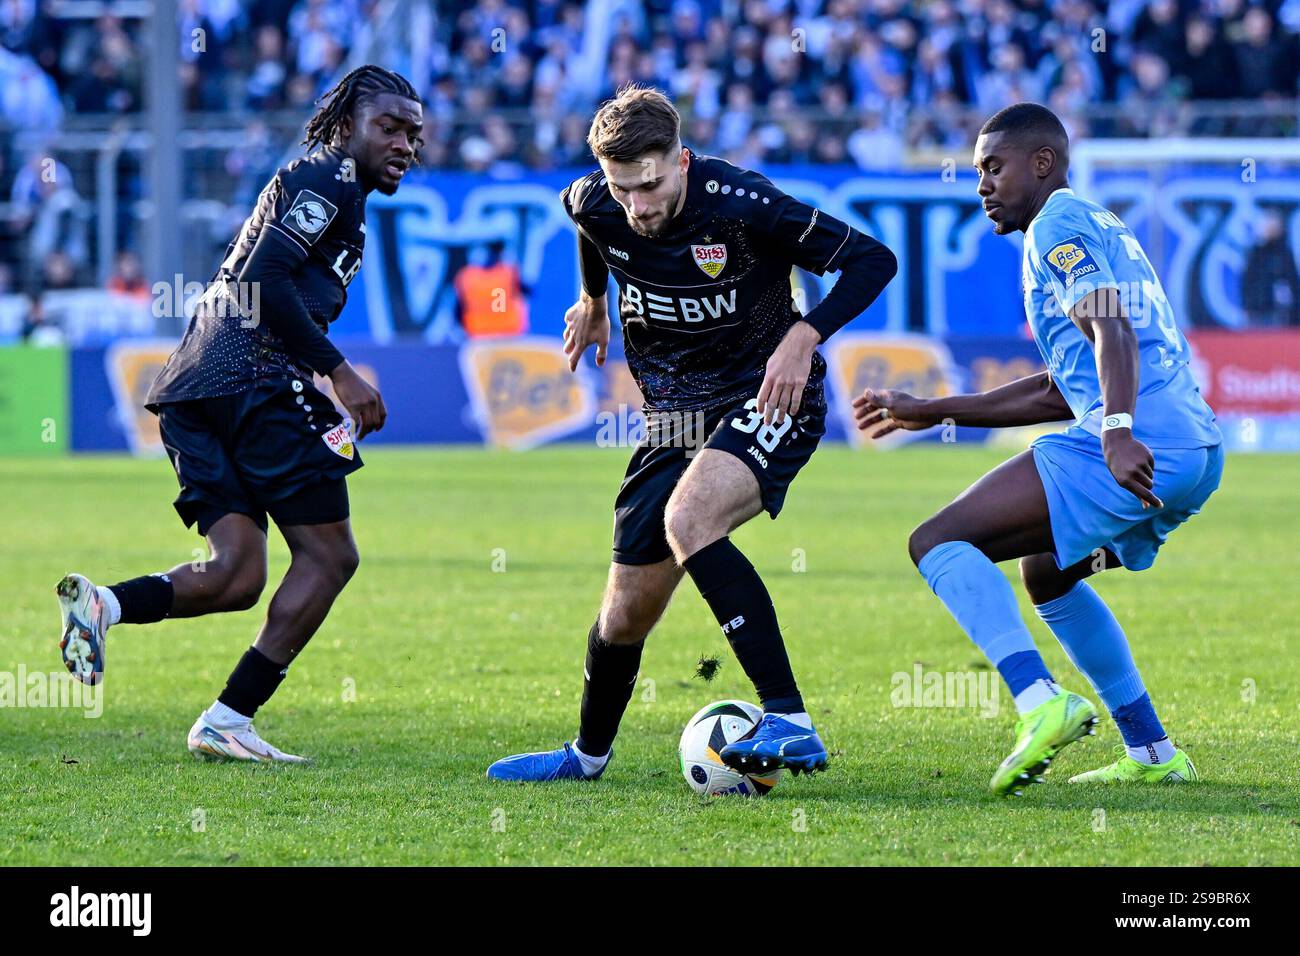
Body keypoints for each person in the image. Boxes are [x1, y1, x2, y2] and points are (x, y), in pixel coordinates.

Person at [487, 85, 897, 783]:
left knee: (691, 515)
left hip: (770, 397)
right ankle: (586, 758)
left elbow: (873, 260)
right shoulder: (593, 200)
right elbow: (589, 223)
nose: (638, 206)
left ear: (681, 161)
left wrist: (805, 333)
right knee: (623, 614)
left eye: (650, 186)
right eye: (625, 190)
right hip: (671, 419)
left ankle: (791, 721)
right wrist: (592, 302)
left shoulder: (744, 204)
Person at [54, 66, 422, 763]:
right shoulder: (331, 178)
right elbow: (262, 280)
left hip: (194, 388)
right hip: (254, 380)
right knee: (331, 554)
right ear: (347, 126)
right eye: (390, 127)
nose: (405, 143)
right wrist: (338, 370)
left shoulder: (322, 183)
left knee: (238, 575)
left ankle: (103, 604)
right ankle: (230, 717)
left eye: (414, 132)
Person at [854, 103, 1222, 794]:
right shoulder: (1095, 226)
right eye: (976, 173)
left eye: (993, 168)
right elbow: (1061, 390)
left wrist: (1115, 434)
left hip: (1144, 441)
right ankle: (1152, 752)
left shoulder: (1057, 223)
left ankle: (1039, 701)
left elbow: (1111, 329)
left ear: (1041, 163)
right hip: (1193, 449)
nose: (982, 185)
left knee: (937, 541)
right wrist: (931, 410)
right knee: (1047, 571)